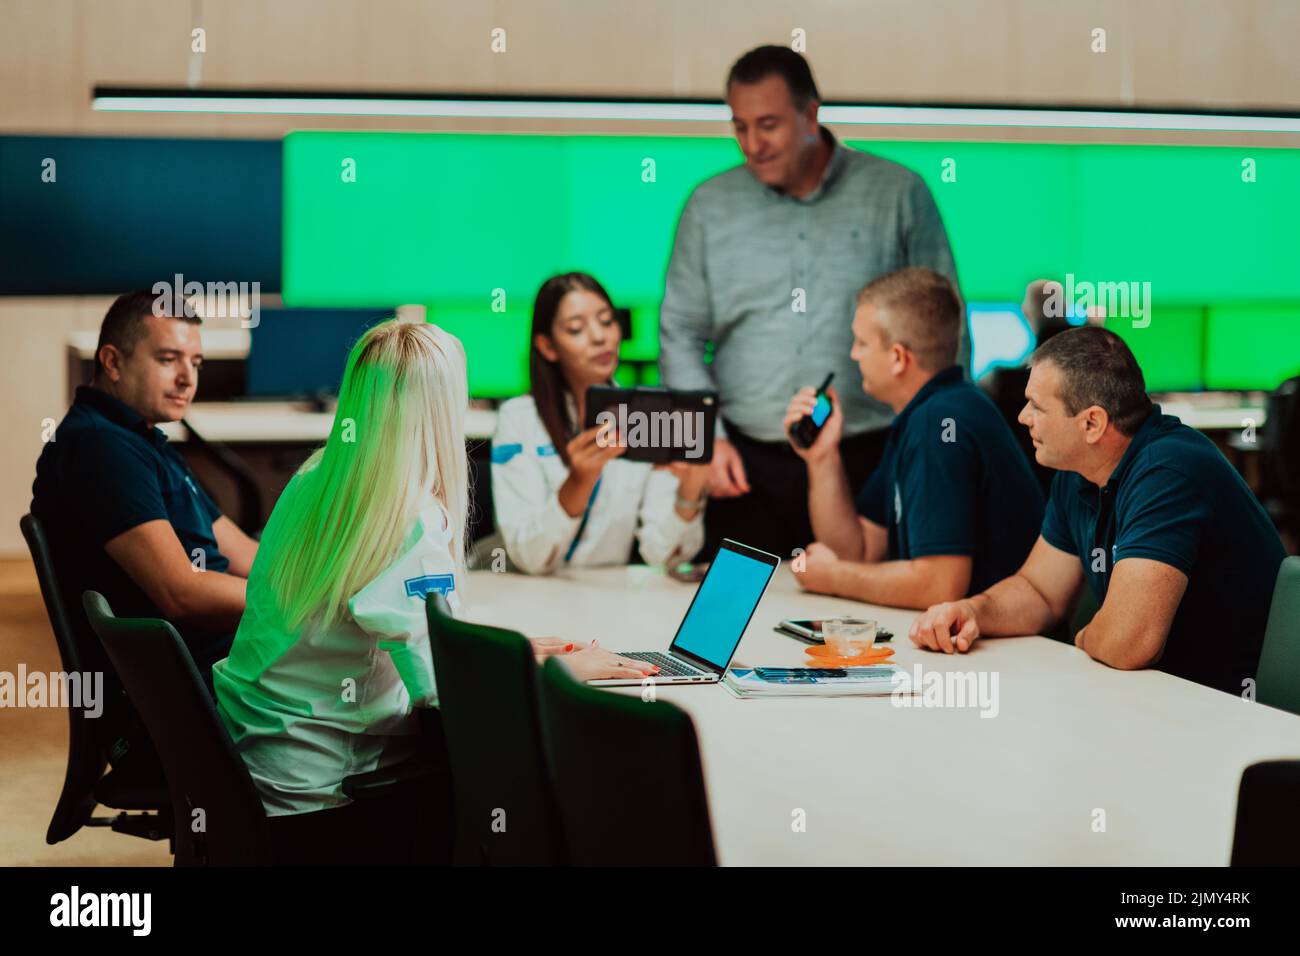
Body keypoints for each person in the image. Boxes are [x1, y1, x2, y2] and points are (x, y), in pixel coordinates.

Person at [214, 319, 650, 864]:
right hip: (323, 801)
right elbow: (444, 690)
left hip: (258, 769)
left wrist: (517, 652)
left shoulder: (319, 477)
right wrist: (562, 672)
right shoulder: (407, 517)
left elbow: (408, 636)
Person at [660, 45, 963, 559]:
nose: (752, 144)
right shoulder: (708, 207)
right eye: (739, 127)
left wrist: (932, 448)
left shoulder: (898, 193)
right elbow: (681, 335)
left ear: (811, 114)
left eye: (769, 124)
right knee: (739, 626)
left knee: (865, 627)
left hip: (871, 460)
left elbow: (943, 330)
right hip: (744, 470)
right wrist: (705, 440)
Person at [909, 326, 1287, 696]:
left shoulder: (1169, 470)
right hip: (1162, 697)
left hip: (1233, 710)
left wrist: (1085, 635)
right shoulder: (1079, 472)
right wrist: (972, 612)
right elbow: (1039, 591)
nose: (1023, 417)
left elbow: (1129, 642)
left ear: (1092, 423)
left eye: (1037, 406)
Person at [31, 290, 259, 694]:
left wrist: (326, 583)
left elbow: (246, 555)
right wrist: (299, 605)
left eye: (195, 363)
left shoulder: (143, 438)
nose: (188, 378)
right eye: (168, 359)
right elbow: (181, 592)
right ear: (113, 362)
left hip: (222, 655)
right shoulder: (99, 447)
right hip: (184, 686)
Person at [783, 267, 1043, 609]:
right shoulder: (927, 413)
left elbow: (939, 586)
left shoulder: (938, 423)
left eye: (862, 342)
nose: (853, 354)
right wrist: (821, 457)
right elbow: (857, 552)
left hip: (1011, 654)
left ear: (897, 358)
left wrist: (831, 577)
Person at [492, 272, 709, 574]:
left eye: (607, 321)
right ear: (547, 346)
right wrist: (580, 481)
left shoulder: (649, 416)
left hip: (604, 600)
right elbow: (529, 558)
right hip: (524, 595)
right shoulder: (519, 418)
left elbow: (662, 555)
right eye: (576, 328)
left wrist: (690, 491)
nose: (599, 336)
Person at [985, 279, 1076, 494]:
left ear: (1026, 314)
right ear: (1066, 308)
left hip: (1030, 490)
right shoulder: (1098, 358)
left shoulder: (1006, 383)